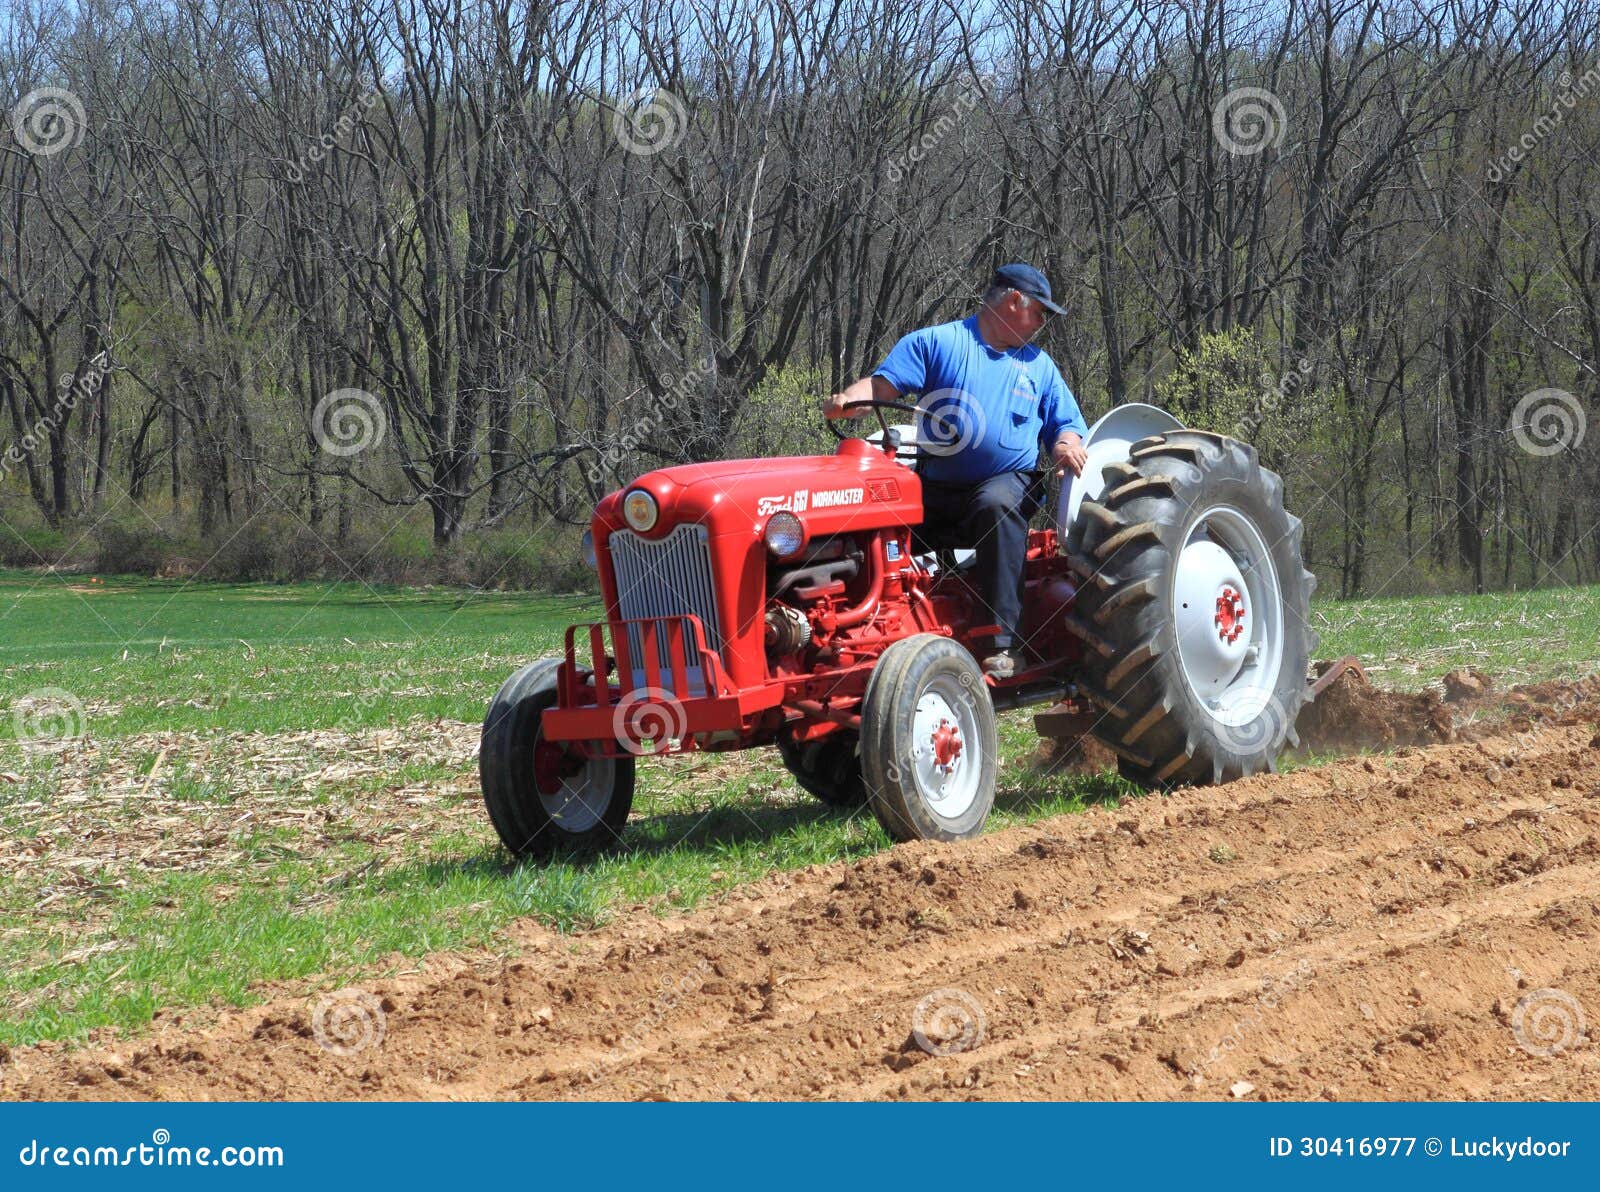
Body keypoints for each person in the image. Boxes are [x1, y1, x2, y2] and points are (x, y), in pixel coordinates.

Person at [823, 262, 1089, 679]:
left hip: (1009, 484)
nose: (1042, 324)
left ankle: (1001, 642)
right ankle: (859, 636)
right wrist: (846, 400)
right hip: (937, 485)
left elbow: (1067, 427)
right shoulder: (938, 343)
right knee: (874, 518)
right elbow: (880, 387)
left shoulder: (1038, 367)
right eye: (1040, 312)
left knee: (994, 502)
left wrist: (1064, 446)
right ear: (1014, 300)